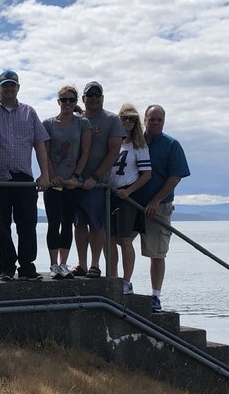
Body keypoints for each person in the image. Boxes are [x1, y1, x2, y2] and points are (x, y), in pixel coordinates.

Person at [0, 69, 50, 281]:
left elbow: (40, 146)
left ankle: (27, 267)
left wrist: (45, 174)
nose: (8, 89)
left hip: (24, 178)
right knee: (1, 225)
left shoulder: (30, 112)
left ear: (18, 88)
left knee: (27, 224)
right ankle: (7, 267)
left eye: (12, 85)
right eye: (4, 85)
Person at [131, 104, 190, 312]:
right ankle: (123, 285)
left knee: (157, 253)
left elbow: (175, 177)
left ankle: (155, 296)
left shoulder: (172, 145)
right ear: (144, 120)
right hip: (132, 204)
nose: (155, 122)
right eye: (152, 119)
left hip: (159, 208)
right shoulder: (134, 142)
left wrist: (156, 201)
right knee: (119, 242)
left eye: (159, 119)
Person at [72, 81, 123, 278]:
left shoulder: (112, 120)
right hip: (75, 182)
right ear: (83, 99)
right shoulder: (76, 119)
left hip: (97, 184)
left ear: (102, 98)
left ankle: (95, 264)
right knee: (78, 223)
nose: (93, 98)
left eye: (97, 95)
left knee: (96, 224)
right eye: (89, 95)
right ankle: (81, 264)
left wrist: (95, 177)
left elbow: (113, 153)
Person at [42, 85, 91, 279]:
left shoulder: (83, 124)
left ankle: (64, 263)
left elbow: (85, 152)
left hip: (72, 183)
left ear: (76, 102)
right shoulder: (48, 124)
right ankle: (54, 265)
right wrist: (52, 176)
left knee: (68, 222)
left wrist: (76, 177)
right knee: (54, 223)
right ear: (58, 102)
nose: (68, 103)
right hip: (54, 183)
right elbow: (44, 153)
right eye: (64, 100)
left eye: (72, 100)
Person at [107, 103, 151, 294]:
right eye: (124, 118)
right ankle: (112, 278)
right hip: (109, 193)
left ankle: (126, 281)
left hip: (126, 195)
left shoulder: (139, 146)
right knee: (110, 239)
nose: (128, 122)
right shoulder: (113, 142)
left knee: (125, 239)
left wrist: (129, 191)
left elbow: (146, 174)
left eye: (132, 119)